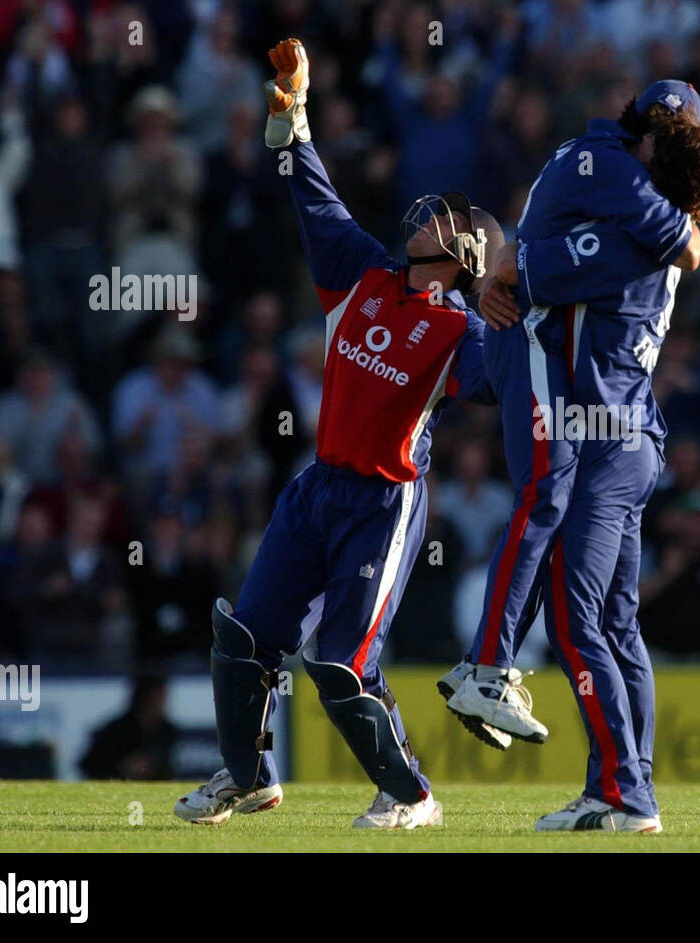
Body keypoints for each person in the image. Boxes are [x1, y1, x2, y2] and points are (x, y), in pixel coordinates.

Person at [174, 39, 499, 831]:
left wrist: (524, 307)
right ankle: (247, 778)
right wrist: (297, 118)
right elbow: (315, 199)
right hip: (317, 487)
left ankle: (412, 795)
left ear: (460, 259)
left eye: (447, 220)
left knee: (340, 666)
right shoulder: (363, 271)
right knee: (241, 637)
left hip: (382, 502)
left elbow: (501, 381)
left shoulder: (459, 330)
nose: (429, 213)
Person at [443, 86, 700, 832]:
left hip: (606, 439)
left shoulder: (629, 235)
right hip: (629, 438)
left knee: (577, 623)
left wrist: (498, 276)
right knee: (618, 625)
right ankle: (628, 788)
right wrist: (501, 275)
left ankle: (624, 793)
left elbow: (525, 264)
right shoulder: (644, 225)